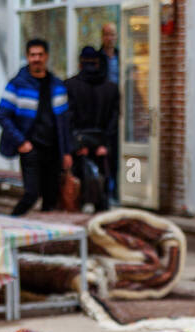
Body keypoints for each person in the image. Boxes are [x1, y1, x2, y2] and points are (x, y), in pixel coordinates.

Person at [0, 38, 73, 217]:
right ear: (27, 57)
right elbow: (1, 115)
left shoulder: (57, 85)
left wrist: (67, 152)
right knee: (31, 194)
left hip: (53, 150)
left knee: (50, 198)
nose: (36, 58)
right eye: (32, 55)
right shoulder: (18, 84)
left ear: (46, 56)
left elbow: (64, 123)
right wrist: (21, 142)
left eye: (40, 54)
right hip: (30, 148)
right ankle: (10, 223)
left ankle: (45, 237)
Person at [65, 46, 118, 211]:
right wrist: (104, 144)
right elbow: (113, 120)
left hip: (81, 146)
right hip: (101, 146)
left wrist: (78, 145)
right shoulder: (111, 88)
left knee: (80, 191)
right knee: (100, 191)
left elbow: (68, 118)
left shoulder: (70, 85)